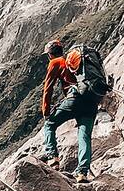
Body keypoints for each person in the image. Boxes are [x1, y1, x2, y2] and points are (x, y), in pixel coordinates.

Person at [40, 44, 107, 183]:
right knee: (84, 136)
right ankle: (82, 172)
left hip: (75, 99)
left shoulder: (56, 62)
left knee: (50, 125)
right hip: (91, 101)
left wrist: (46, 112)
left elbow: (48, 88)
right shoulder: (75, 63)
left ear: (49, 54)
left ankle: (52, 157)